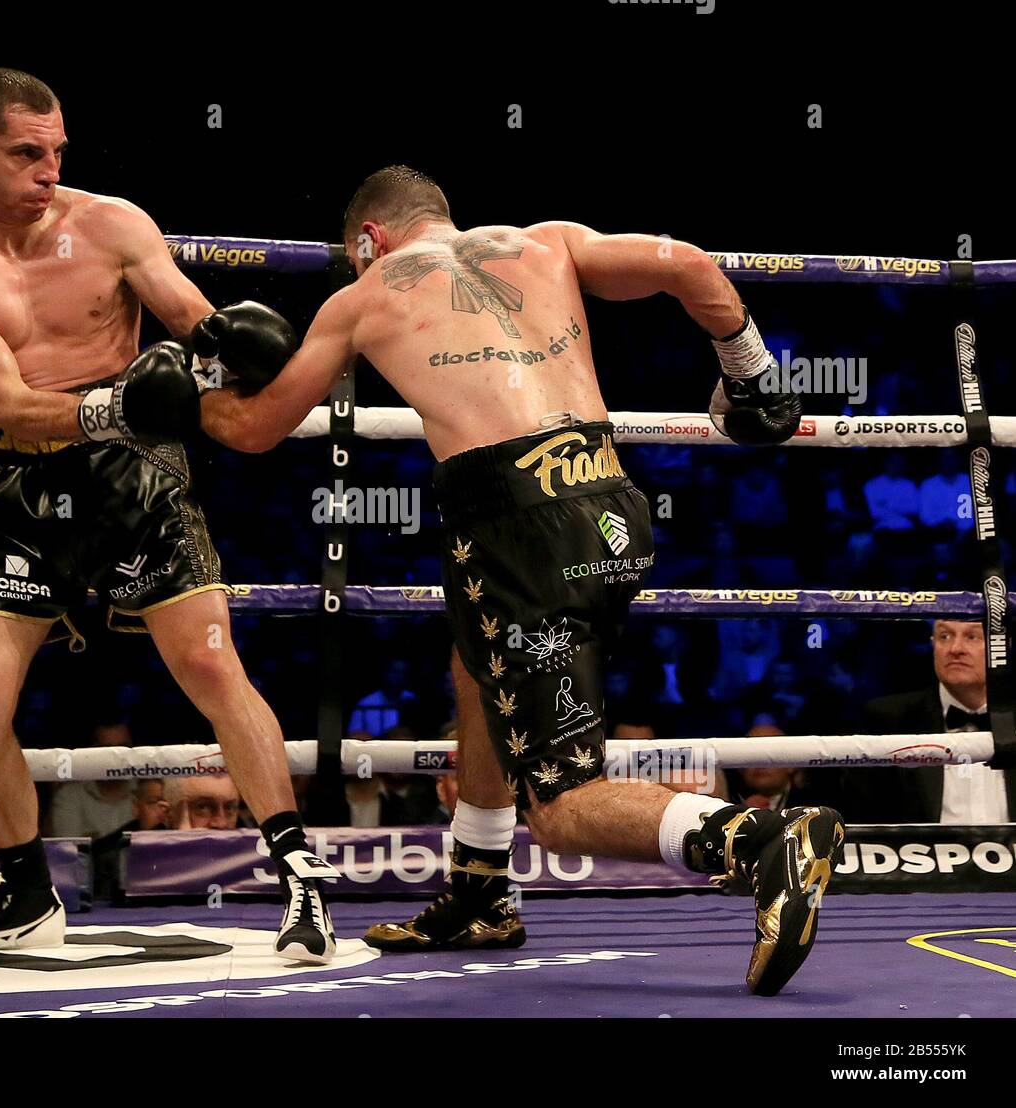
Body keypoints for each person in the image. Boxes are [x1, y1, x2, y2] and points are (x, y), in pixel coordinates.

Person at [200, 165, 845, 995]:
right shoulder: (550, 243)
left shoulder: (362, 298)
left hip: (514, 528)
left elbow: (255, 430)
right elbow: (687, 262)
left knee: (563, 803)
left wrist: (191, 390)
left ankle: (758, 842)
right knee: (478, 667)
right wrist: (750, 372)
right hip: (612, 501)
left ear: (370, 241)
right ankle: (477, 889)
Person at [0, 68, 334, 961]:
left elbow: (196, 325)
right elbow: (3, 401)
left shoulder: (113, 223)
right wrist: (120, 404)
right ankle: (25, 893)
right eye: (24, 154)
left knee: (209, 661)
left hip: (132, 477)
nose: (47, 172)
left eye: (56, 153)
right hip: (11, 484)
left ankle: (300, 878)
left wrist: (225, 352)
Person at [843, 620, 1016, 822]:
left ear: (1002, 646)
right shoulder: (888, 719)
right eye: (945, 636)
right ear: (933, 644)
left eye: (972, 637)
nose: (955, 649)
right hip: (917, 852)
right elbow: (863, 817)